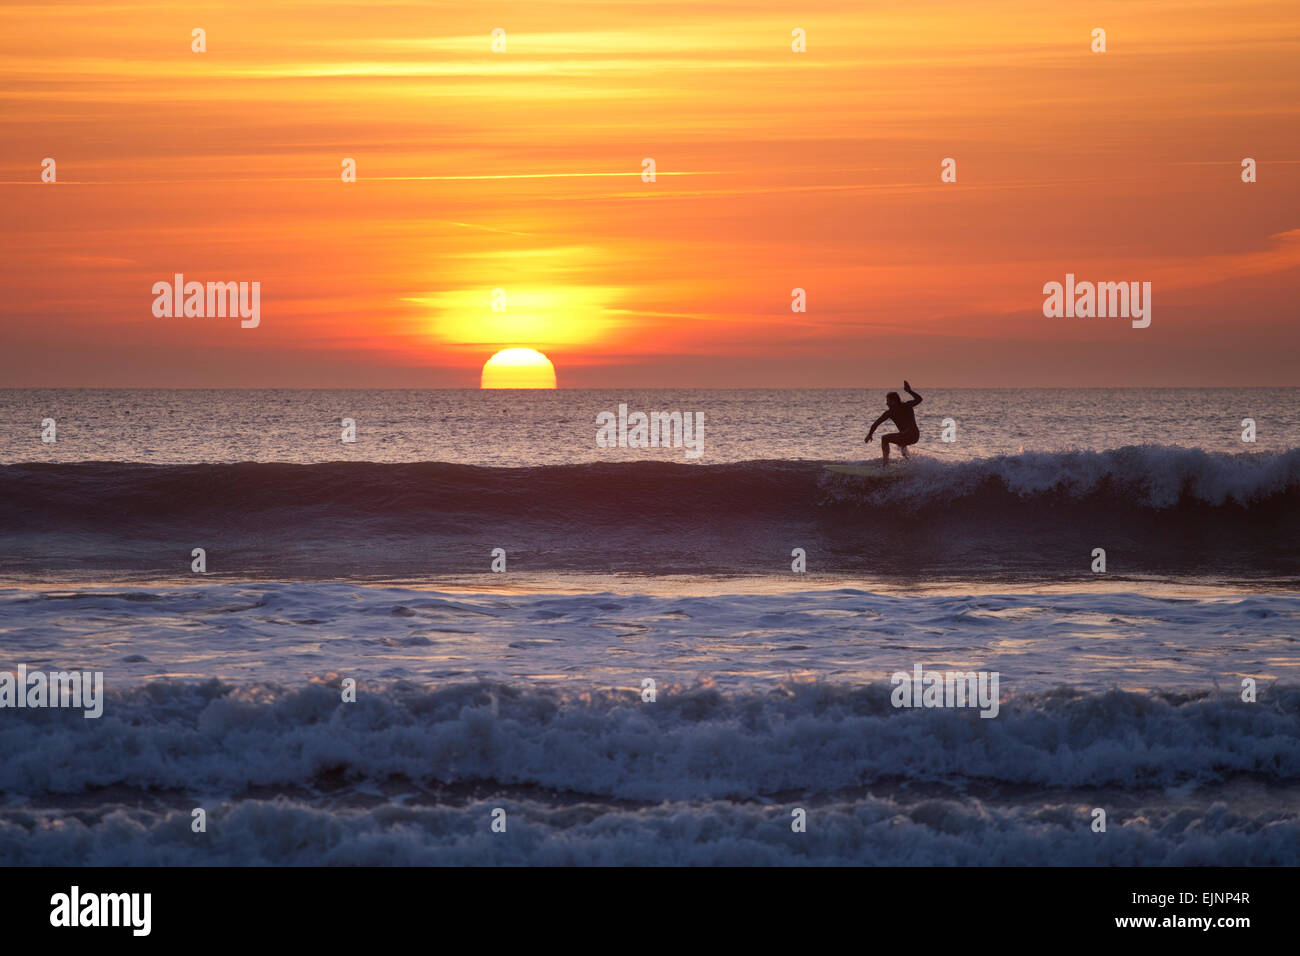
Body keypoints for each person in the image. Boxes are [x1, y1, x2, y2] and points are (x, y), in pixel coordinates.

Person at [865, 381, 922, 465]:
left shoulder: (896, 410)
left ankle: (885, 465)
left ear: (894, 401)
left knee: (885, 438)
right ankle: (909, 463)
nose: (886, 403)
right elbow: (876, 423)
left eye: (888, 401)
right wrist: (870, 434)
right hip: (915, 436)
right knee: (901, 443)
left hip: (909, 434)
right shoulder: (906, 406)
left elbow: (876, 423)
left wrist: (870, 434)